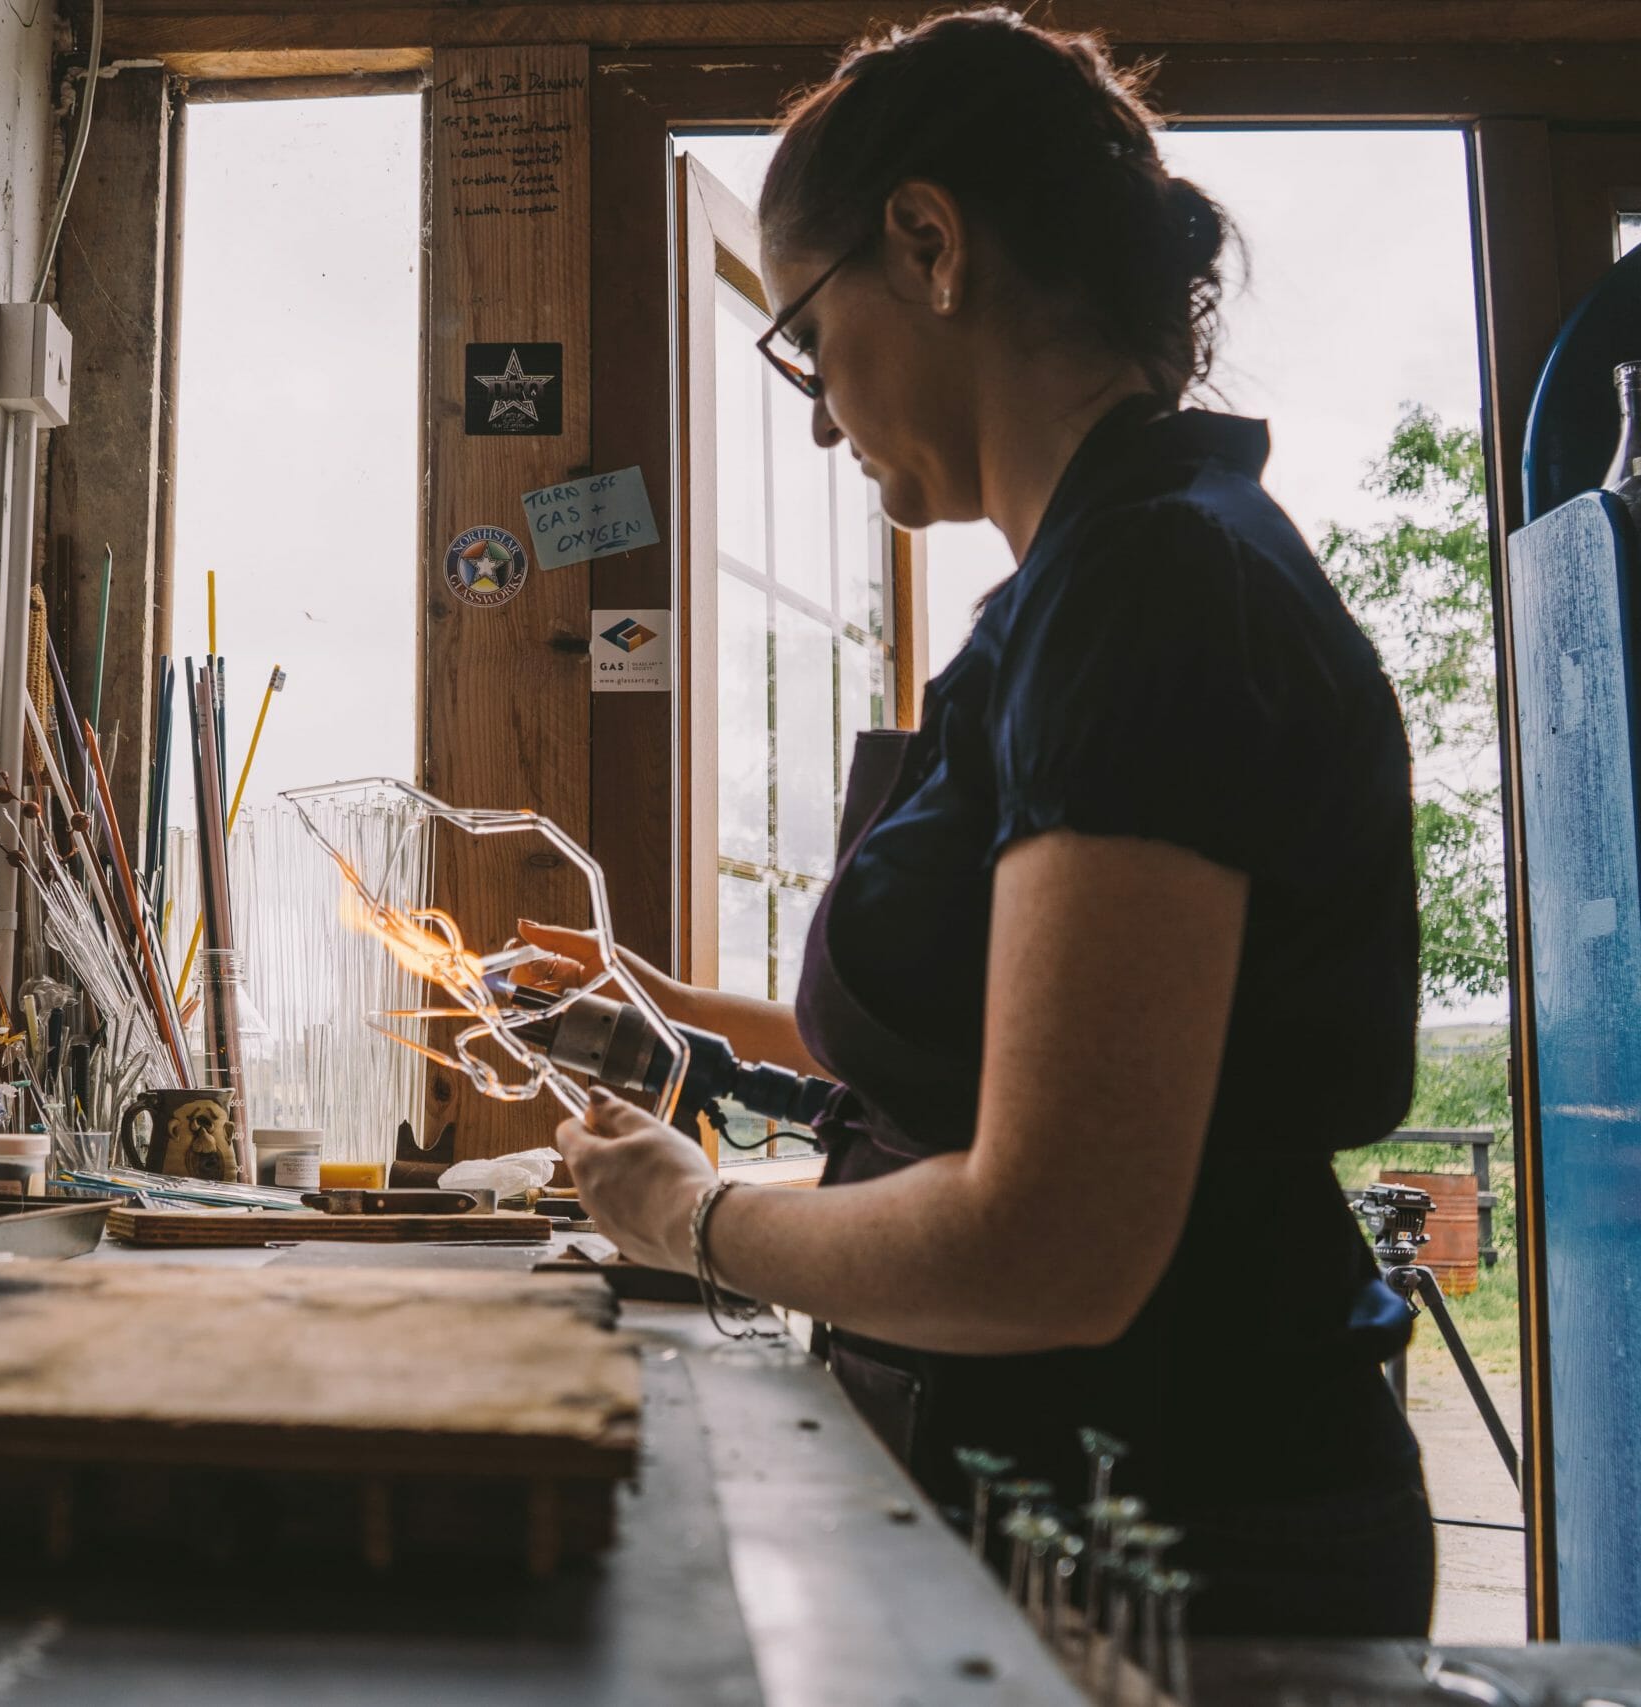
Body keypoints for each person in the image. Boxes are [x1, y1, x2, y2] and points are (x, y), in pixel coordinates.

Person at [531, 7, 1433, 1638]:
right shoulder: (1093, 586)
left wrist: (696, 1218)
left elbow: (1055, 1242)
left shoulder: (1153, 589)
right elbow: (975, 1058)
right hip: (1056, 1493)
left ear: (930, 244)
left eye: (807, 335)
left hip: (1166, 1543)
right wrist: (657, 1013)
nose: (814, 412)